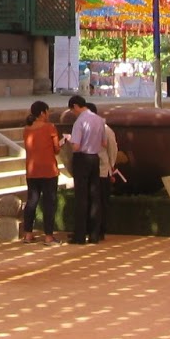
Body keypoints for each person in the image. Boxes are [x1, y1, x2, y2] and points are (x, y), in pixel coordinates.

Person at [66, 94, 105, 244]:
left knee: (81, 197)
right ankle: (94, 234)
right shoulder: (99, 120)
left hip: (82, 158)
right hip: (95, 157)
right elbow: (104, 143)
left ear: (76, 106)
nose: (73, 113)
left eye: (72, 110)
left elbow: (76, 146)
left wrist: (69, 140)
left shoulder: (80, 122)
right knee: (95, 196)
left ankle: (80, 235)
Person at [21, 100, 61, 244]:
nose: (48, 114)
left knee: (31, 202)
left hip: (32, 170)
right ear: (42, 112)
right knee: (49, 203)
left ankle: (27, 234)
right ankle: (49, 236)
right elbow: (56, 149)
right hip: (48, 170)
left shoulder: (26, 129)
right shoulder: (50, 128)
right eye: (47, 111)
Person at [90, 101, 119, 243]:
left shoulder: (106, 130)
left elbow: (112, 150)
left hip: (102, 170)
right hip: (88, 171)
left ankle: (99, 231)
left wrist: (111, 166)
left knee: (100, 202)